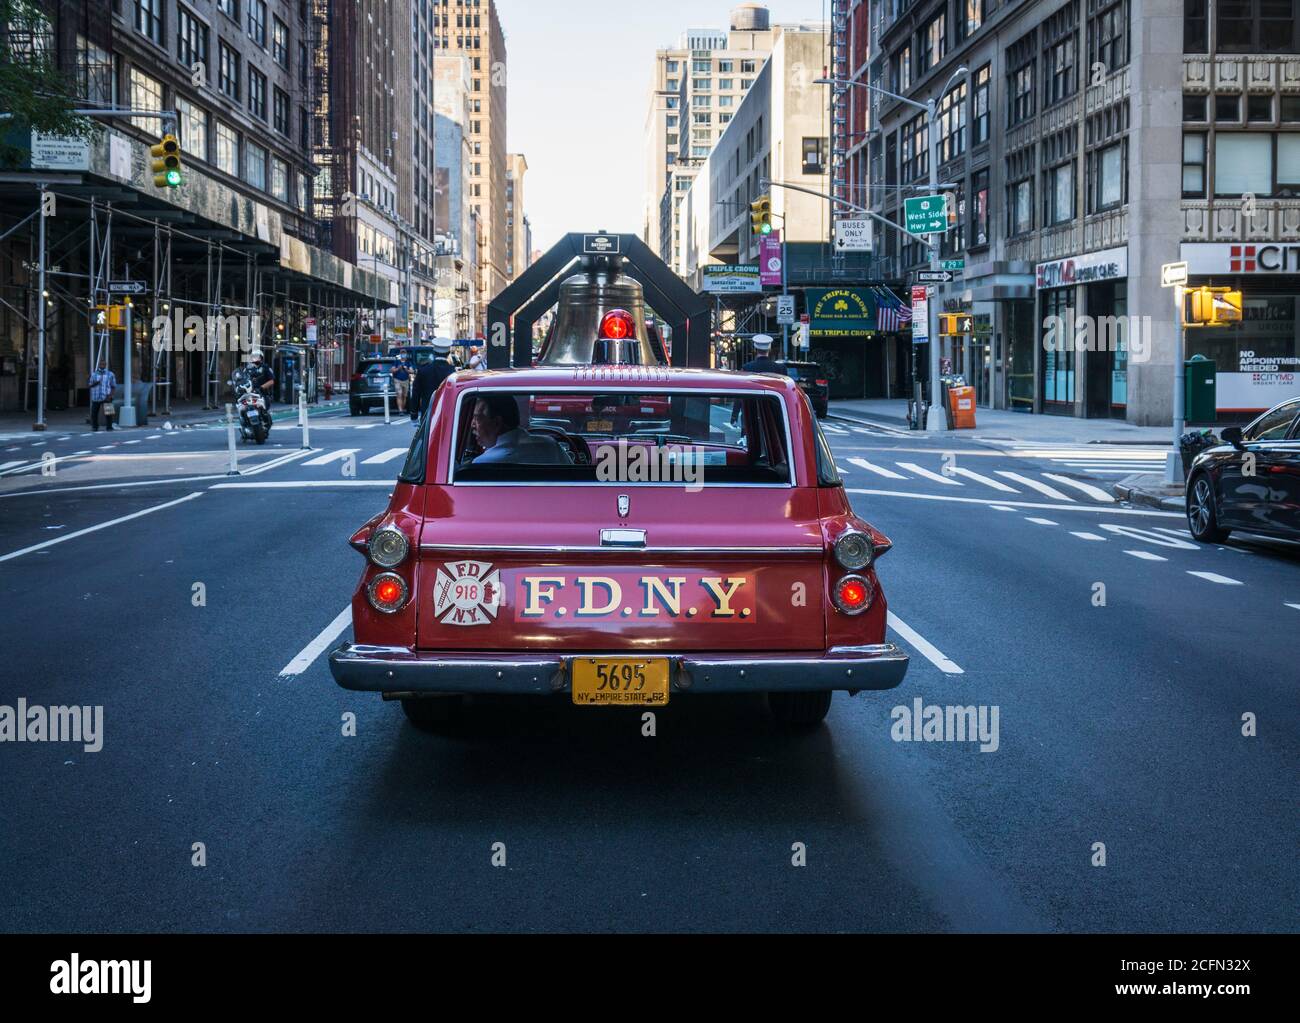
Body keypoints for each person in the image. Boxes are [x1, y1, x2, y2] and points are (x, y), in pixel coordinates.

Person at [469, 393, 567, 465]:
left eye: (477, 418)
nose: (472, 424)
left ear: (497, 423)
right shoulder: (550, 445)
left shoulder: (482, 464)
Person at [408, 337, 458, 420]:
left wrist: (414, 414)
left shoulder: (423, 370)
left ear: (434, 352)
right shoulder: (453, 373)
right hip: (448, 414)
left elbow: (416, 393)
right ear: (448, 353)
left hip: (428, 413)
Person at [89, 364, 117, 432]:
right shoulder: (94, 374)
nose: (102, 365)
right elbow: (90, 385)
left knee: (109, 413)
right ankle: (95, 427)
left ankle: (109, 427)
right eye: (101, 364)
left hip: (106, 396)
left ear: (105, 365)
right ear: (98, 365)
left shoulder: (110, 374)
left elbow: (113, 386)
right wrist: (96, 382)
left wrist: (110, 396)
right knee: (94, 413)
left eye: (103, 364)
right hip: (96, 397)